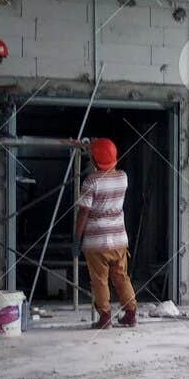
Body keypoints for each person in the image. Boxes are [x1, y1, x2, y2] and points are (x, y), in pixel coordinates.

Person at [75, 138, 137, 330]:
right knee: (121, 276)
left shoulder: (91, 182)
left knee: (99, 280)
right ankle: (131, 314)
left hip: (96, 241)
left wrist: (77, 238)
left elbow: (84, 212)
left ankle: (105, 317)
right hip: (119, 239)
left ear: (94, 159)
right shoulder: (123, 178)